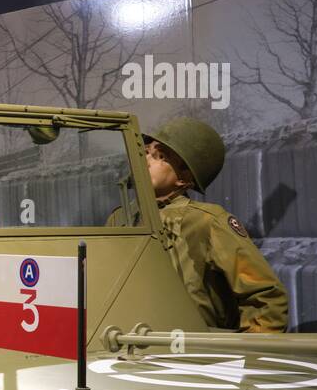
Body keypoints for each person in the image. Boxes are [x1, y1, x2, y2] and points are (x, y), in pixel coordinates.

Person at [108, 116, 287, 333]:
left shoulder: (207, 222)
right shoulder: (120, 218)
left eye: (161, 156)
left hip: (193, 352)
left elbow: (267, 297)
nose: (146, 160)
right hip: (127, 345)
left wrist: (249, 356)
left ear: (184, 178)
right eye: (146, 152)